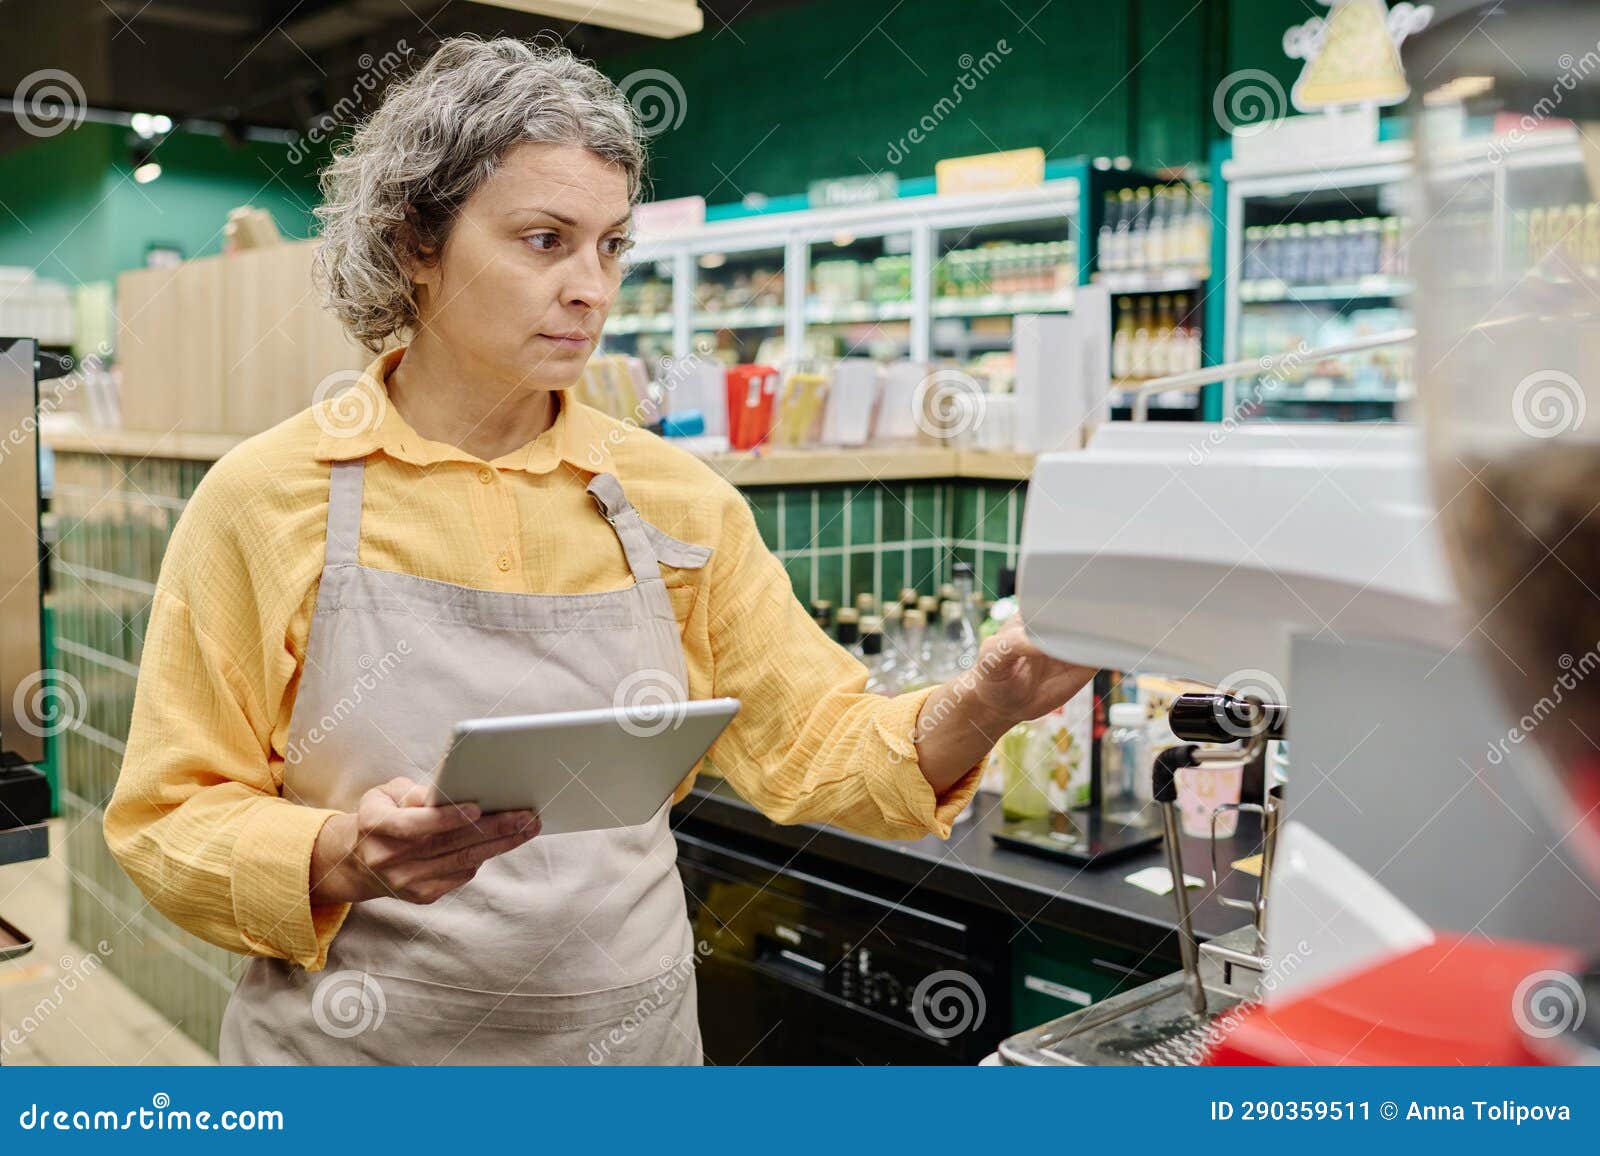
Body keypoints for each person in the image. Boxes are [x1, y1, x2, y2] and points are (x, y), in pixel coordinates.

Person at [103, 36, 1093, 1065]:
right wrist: (336, 852)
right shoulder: (267, 498)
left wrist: (986, 702)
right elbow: (168, 821)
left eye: (611, 245)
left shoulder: (673, 500)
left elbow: (819, 751)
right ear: (414, 242)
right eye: (544, 240)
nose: (592, 287)